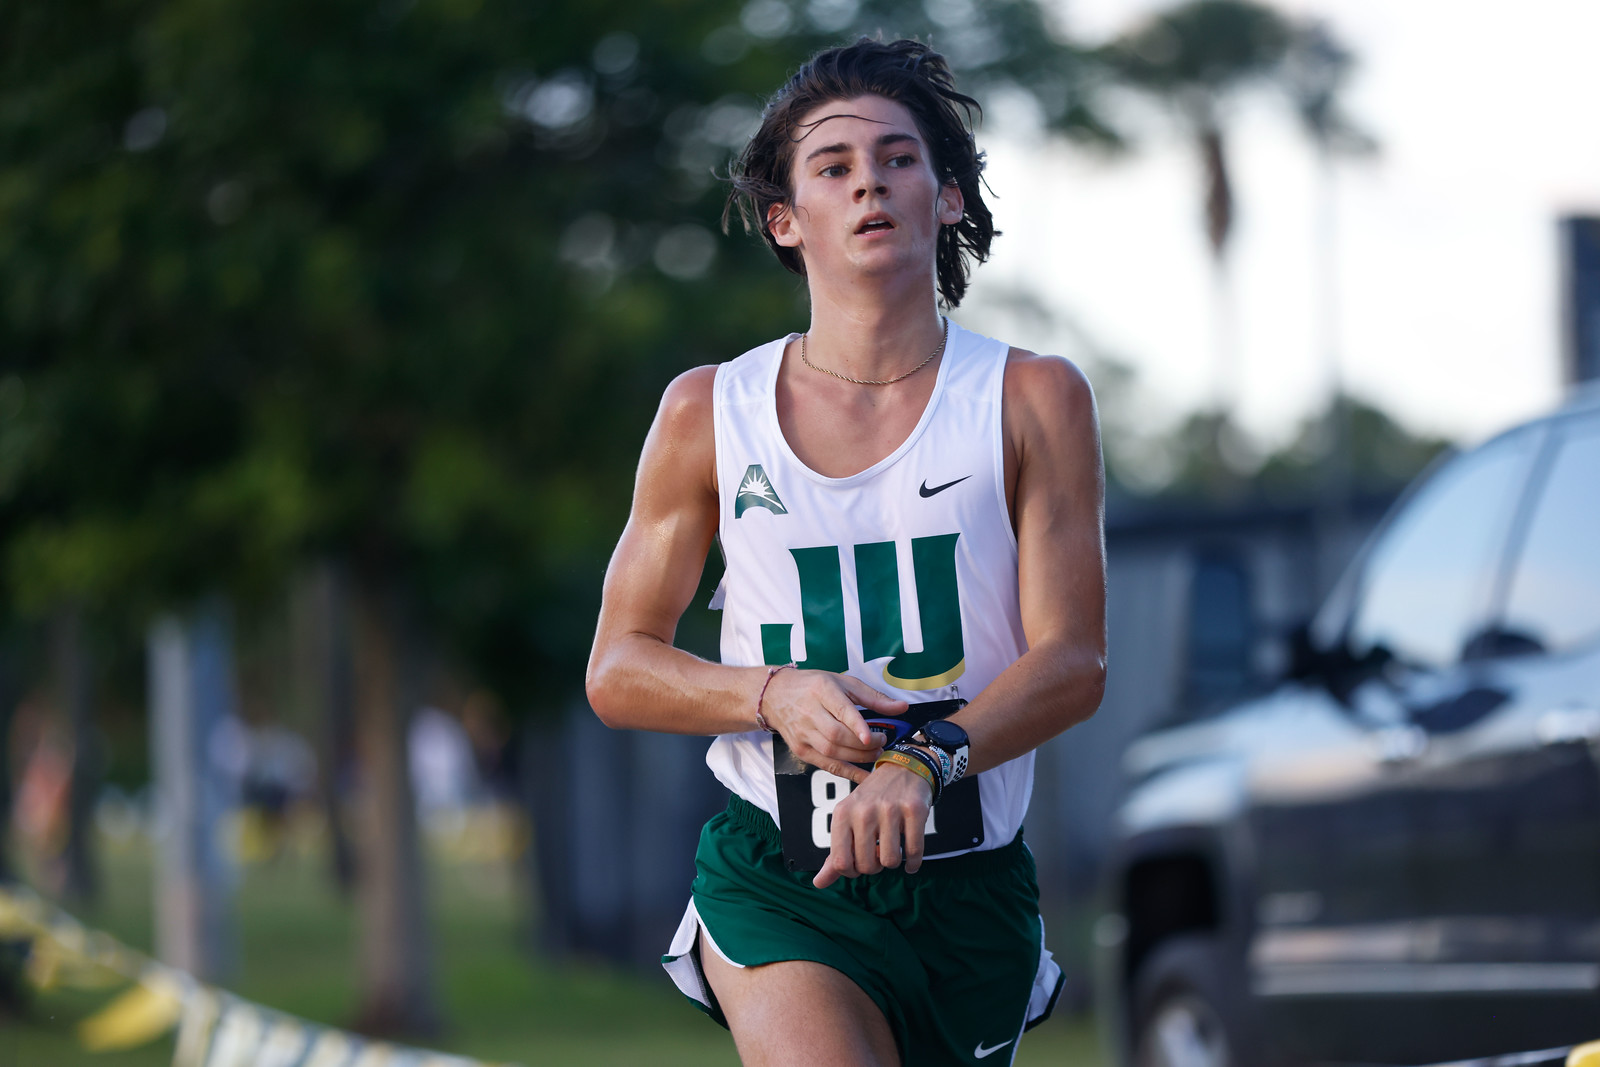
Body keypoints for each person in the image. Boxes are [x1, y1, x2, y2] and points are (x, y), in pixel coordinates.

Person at [586, 37, 1106, 1066]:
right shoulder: (708, 411)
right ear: (786, 219)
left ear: (946, 197)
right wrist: (770, 691)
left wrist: (925, 758)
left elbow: (1074, 661)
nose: (869, 179)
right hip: (781, 873)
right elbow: (618, 667)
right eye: (833, 166)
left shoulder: (1032, 396)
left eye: (898, 158)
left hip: (967, 881)